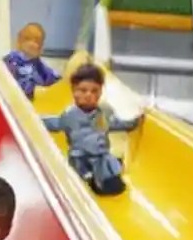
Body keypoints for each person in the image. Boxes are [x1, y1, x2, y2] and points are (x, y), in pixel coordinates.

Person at [42, 64, 141, 196]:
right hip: (81, 157)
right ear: (74, 91)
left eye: (95, 91)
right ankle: (91, 180)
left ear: (101, 92)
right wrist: (32, 117)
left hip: (100, 156)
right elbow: (55, 123)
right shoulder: (70, 115)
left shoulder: (103, 113)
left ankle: (105, 179)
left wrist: (134, 122)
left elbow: (116, 124)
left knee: (112, 176)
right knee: (81, 171)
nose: (89, 95)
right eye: (83, 90)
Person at [4, 23, 61, 101]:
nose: (32, 44)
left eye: (37, 41)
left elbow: (56, 81)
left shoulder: (40, 66)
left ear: (41, 46)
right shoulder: (10, 61)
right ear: (19, 40)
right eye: (27, 38)